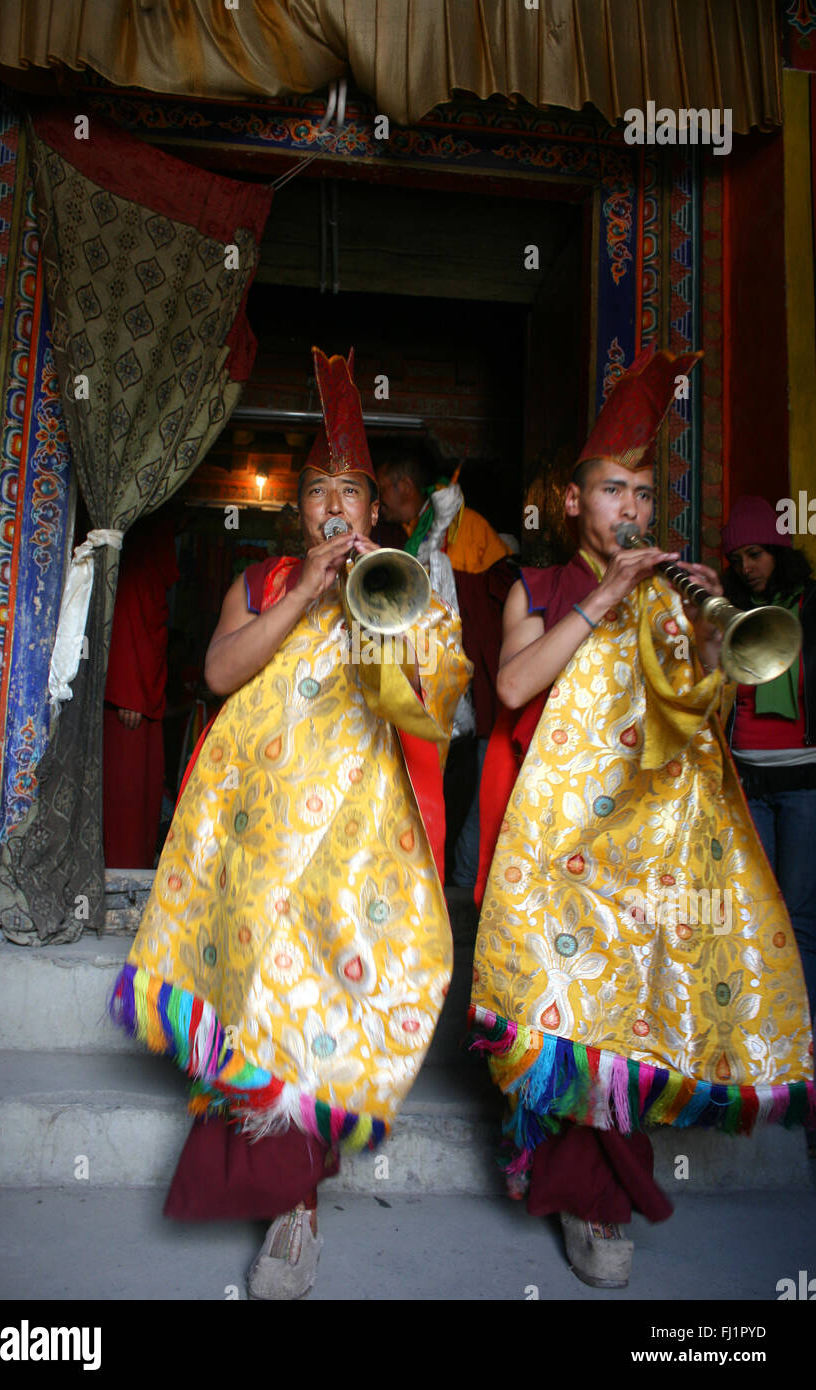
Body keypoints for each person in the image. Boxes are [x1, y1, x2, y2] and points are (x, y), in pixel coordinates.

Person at [110, 348, 471, 1300]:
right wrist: (309, 589)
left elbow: (434, 711)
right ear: (298, 507)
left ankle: (298, 1201)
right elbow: (221, 675)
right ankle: (291, 1210)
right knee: (268, 1006)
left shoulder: (406, 590)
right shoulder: (264, 582)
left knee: (334, 1010)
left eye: (351, 491)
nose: (336, 508)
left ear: (377, 507)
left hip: (364, 854)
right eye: (319, 493)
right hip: (264, 849)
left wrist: (378, 611)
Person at [469, 347, 815, 1289]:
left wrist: (707, 634)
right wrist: (604, 597)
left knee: (630, 1018)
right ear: (575, 502)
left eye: (647, 492)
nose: (634, 507)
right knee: (560, 1010)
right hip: (555, 852)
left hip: (653, 854)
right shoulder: (534, 588)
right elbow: (511, 685)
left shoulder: (674, 594)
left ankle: (603, 1203)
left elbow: (702, 719)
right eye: (615, 489)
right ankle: (573, 1183)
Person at [375, 443, 513, 886]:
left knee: (462, 774)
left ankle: (455, 874)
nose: (380, 503)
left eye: (383, 491)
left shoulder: (465, 525)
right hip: (410, 674)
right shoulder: (400, 535)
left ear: (403, 485)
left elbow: (485, 599)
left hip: (461, 676)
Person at [722, 495, 816, 1026]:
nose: (747, 567)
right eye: (738, 559)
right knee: (757, 918)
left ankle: (803, 1055)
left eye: (756, 554)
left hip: (805, 780)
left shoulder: (812, 605)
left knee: (800, 919)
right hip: (748, 779)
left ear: (779, 550)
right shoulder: (734, 611)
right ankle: (761, 1046)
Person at [103, 508, 179, 868]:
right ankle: (121, 874)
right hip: (129, 705)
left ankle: (137, 869)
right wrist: (129, 694)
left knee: (145, 799)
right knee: (126, 801)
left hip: (147, 700)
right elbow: (123, 622)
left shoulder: (151, 575)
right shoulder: (135, 571)